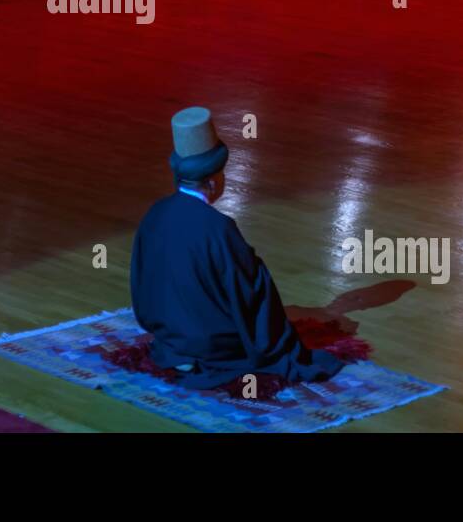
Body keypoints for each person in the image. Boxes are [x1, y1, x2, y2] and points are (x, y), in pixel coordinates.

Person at [130, 107, 347, 390]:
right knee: (254, 278)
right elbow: (250, 294)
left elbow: (142, 282)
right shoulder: (218, 228)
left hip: (168, 338)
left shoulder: (155, 213)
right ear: (212, 181)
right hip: (210, 344)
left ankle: (182, 351)